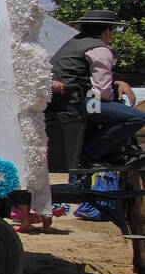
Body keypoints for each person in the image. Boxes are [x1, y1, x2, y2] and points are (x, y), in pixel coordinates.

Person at [50, 9, 145, 166]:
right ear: (107, 30)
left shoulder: (71, 44)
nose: (112, 35)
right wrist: (115, 94)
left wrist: (115, 82)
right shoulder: (100, 49)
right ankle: (89, 153)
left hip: (61, 101)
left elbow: (82, 76)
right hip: (78, 103)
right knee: (138, 117)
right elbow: (102, 92)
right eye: (113, 30)